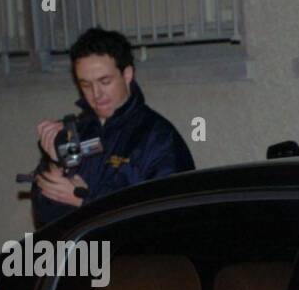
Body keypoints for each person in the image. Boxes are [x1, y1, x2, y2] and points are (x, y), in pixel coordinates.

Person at [31, 28, 195, 227]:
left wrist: (86, 201)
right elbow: (46, 216)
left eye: (105, 81)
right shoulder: (74, 132)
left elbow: (169, 217)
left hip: (135, 257)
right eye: (85, 85)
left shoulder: (158, 137)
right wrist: (56, 161)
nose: (96, 94)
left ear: (127, 74)